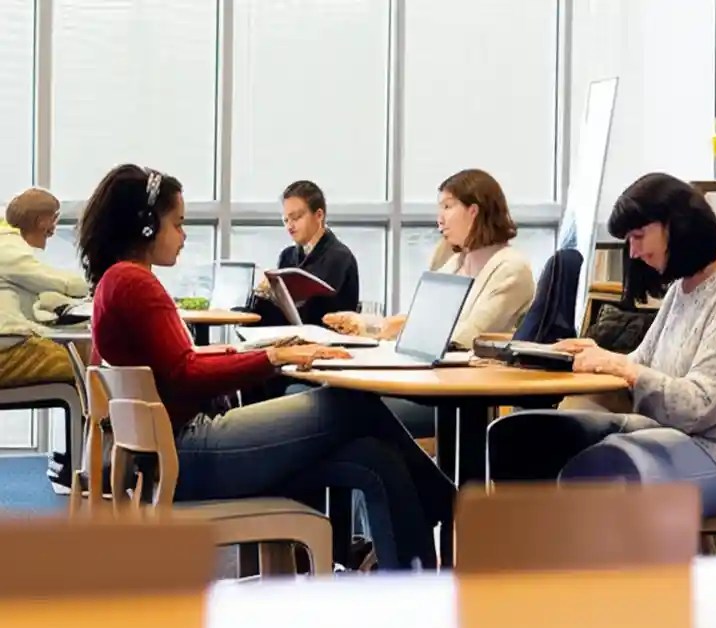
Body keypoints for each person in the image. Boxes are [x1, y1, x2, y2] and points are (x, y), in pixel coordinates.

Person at [82, 164, 453, 570]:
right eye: (178, 223)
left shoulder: (116, 281)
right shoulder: (136, 283)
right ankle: (446, 499)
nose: (184, 236)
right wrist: (273, 358)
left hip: (165, 454)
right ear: (148, 227)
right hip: (189, 451)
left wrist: (267, 350)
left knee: (373, 456)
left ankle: (412, 580)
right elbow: (184, 374)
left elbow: (175, 366)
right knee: (349, 402)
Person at [487, 173, 716, 518]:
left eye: (639, 236)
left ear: (677, 225)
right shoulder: (684, 287)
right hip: (673, 435)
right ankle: (522, 564)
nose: (633, 251)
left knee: (597, 473)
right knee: (518, 437)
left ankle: (579, 569)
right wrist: (601, 356)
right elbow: (644, 361)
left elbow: (696, 408)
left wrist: (623, 368)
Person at [324, 169, 535, 439]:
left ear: (474, 210)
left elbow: (465, 336)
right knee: (337, 400)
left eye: (448, 206)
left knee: (349, 413)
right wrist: (367, 325)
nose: (440, 218)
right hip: (431, 379)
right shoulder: (457, 262)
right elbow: (419, 319)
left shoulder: (511, 267)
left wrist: (393, 328)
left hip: (463, 393)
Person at [0, 187, 87, 389]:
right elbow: (51, 280)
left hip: (10, 340)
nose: (54, 228)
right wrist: (94, 285)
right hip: (7, 348)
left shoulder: (11, 246)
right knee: (81, 366)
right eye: (54, 219)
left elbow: (43, 294)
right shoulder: (8, 249)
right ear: (41, 220)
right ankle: (96, 420)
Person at [247, 180, 360, 327]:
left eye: (296, 218)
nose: (290, 226)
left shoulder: (340, 257)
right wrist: (265, 294)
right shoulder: (287, 256)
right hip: (290, 338)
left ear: (319, 215)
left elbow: (318, 311)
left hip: (327, 341)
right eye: (286, 220)